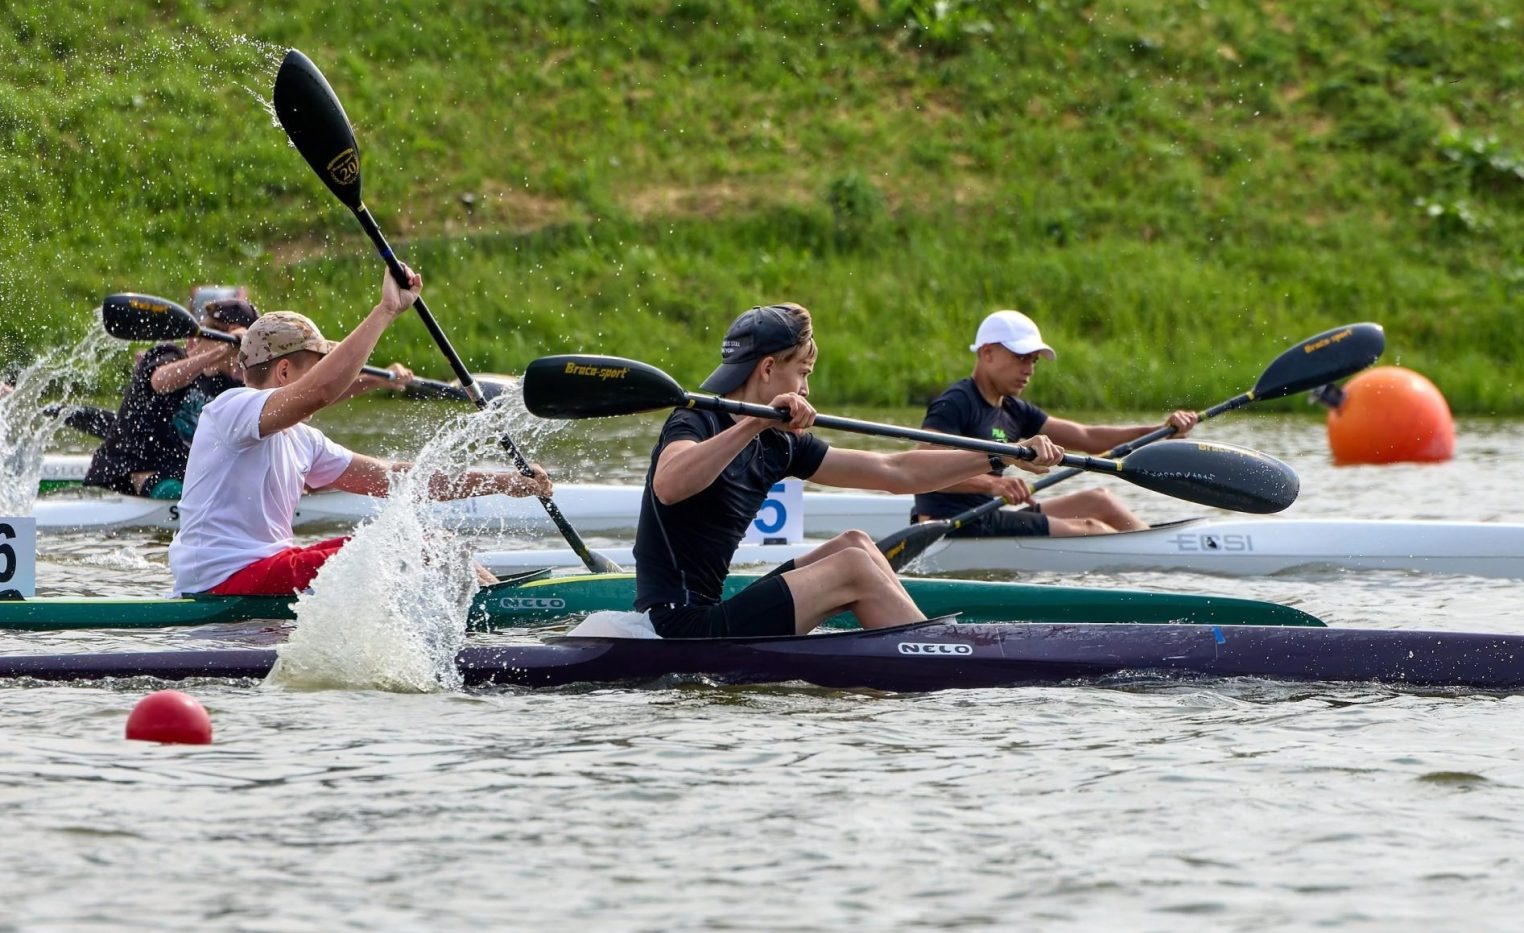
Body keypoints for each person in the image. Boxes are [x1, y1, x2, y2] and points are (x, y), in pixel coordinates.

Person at [632, 302, 1064, 639]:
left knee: (853, 545)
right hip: (679, 627)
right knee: (852, 569)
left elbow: (896, 471)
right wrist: (754, 422)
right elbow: (669, 485)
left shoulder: (780, 443)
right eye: (802, 373)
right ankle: (940, 655)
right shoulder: (695, 420)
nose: (806, 390)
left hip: (711, 611)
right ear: (767, 369)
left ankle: (928, 642)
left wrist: (1002, 455)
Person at [167, 267, 552, 597]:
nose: (330, 376)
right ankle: (496, 611)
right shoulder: (231, 409)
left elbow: (400, 479)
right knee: (404, 543)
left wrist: (501, 482)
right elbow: (320, 391)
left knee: (427, 543)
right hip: (222, 580)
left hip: (259, 573)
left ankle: (485, 600)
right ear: (283, 372)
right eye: (319, 365)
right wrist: (386, 310)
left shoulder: (302, 440)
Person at [912, 309, 1199, 536]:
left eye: (1034, 361)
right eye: (1021, 358)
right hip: (956, 524)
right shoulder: (956, 402)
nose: (1029, 370)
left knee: (1100, 500)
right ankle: (1154, 564)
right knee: (1091, 529)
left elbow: (1086, 437)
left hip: (990, 515)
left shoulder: (1014, 409)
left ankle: (1156, 546)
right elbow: (921, 464)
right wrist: (992, 485)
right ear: (987, 353)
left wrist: (1161, 431)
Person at [83, 298, 261, 499]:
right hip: (132, 472)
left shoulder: (229, 384)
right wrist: (222, 350)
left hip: (180, 473)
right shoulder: (168, 355)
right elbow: (160, 382)